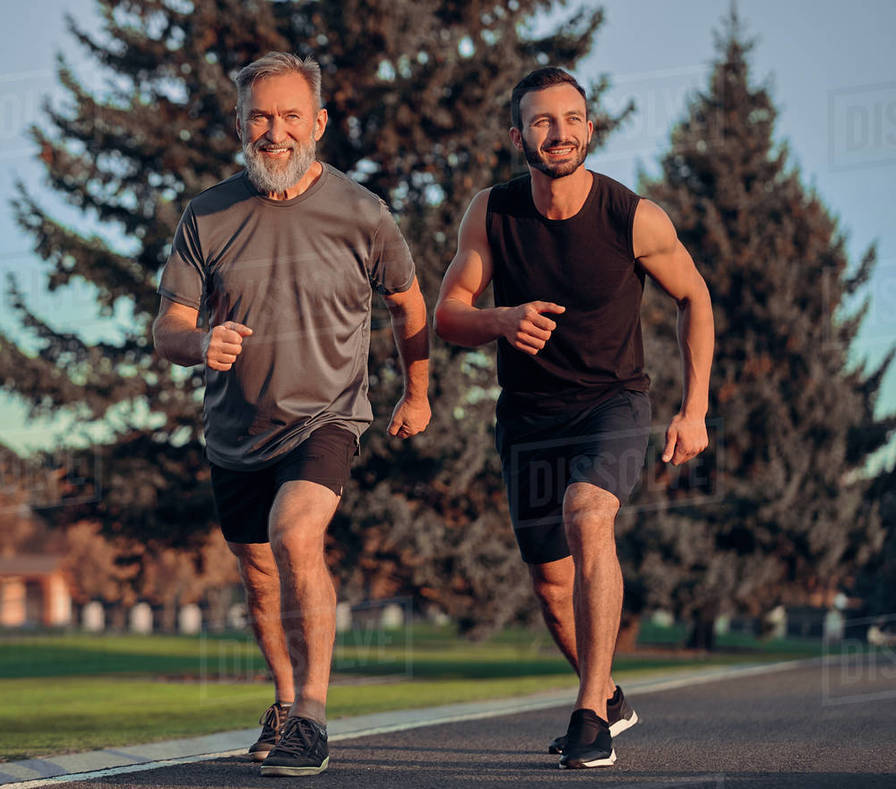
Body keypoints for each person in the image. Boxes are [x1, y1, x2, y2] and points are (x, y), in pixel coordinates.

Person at [152, 51, 431, 777]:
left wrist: (418, 389)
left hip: (327, 417)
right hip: (235, 431)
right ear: (241, 124)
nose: (274, 131)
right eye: (260, 118)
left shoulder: (362, 211)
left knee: (294, 532)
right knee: (256, 572)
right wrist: (199, 342)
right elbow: (168, 326)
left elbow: (409, 303)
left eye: (289, 116)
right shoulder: (206, 215)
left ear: (319, 123)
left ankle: (312, 712)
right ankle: (282, 697)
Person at [434, 67, 714, 769]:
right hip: (528, 415)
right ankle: (610, 694)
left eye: (572, 118)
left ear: (589, 128)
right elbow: (447, 315)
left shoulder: (632, 216)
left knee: (588, 511)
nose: (559, 132)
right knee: (552, 588)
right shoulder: (490, 212)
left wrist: (696, 406)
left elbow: (695, 297)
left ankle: (589, 714)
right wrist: (500, 318)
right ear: (517, 135)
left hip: (613, 402)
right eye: (542, 120)